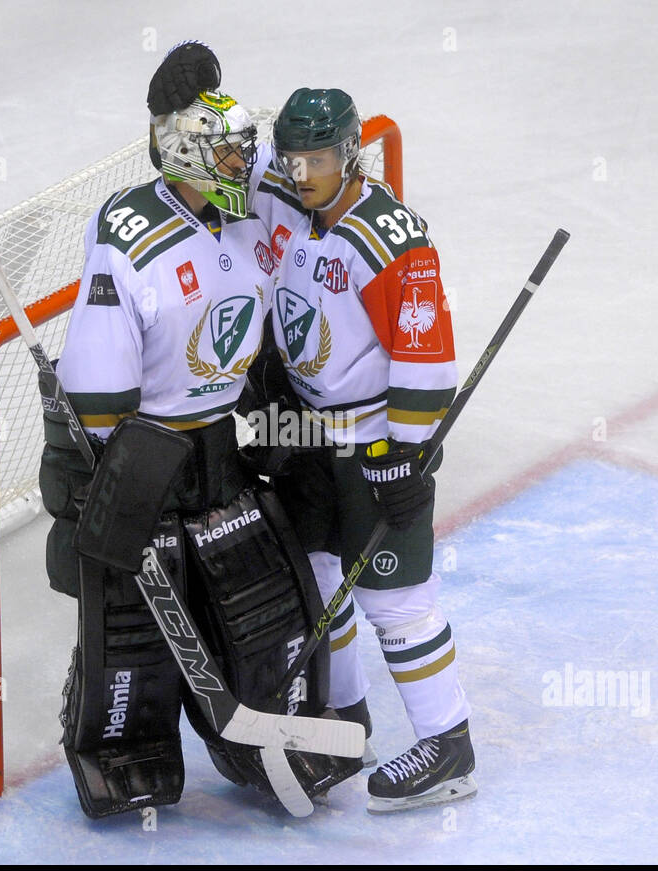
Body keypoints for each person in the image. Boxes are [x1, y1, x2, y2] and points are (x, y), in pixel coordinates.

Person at [148, 44, 477, 813]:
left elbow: (426, 353)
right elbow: (209, 166)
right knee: (320, 583)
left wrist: (406, 450)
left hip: (372, 445)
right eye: (293, 156)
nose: (302, 170)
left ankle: (448, 744)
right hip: (303, 438)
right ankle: (344, 718)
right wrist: (174, 113)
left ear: (351, 151)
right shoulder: (272, 191)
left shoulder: (391, 236)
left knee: (398, 598)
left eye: (319, 156)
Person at [38, 62, 360, 819]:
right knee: (133, 627)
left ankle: (268, 735)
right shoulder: (130, 239)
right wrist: (95, 482)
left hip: (220, 445)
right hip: (142, 453)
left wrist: (284, 411)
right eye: (230, 154)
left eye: (245, 151)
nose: (247, 165)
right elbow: (95, 388)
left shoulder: (251, 214)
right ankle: (126, 752)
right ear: (186, 158)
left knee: (256, 598)